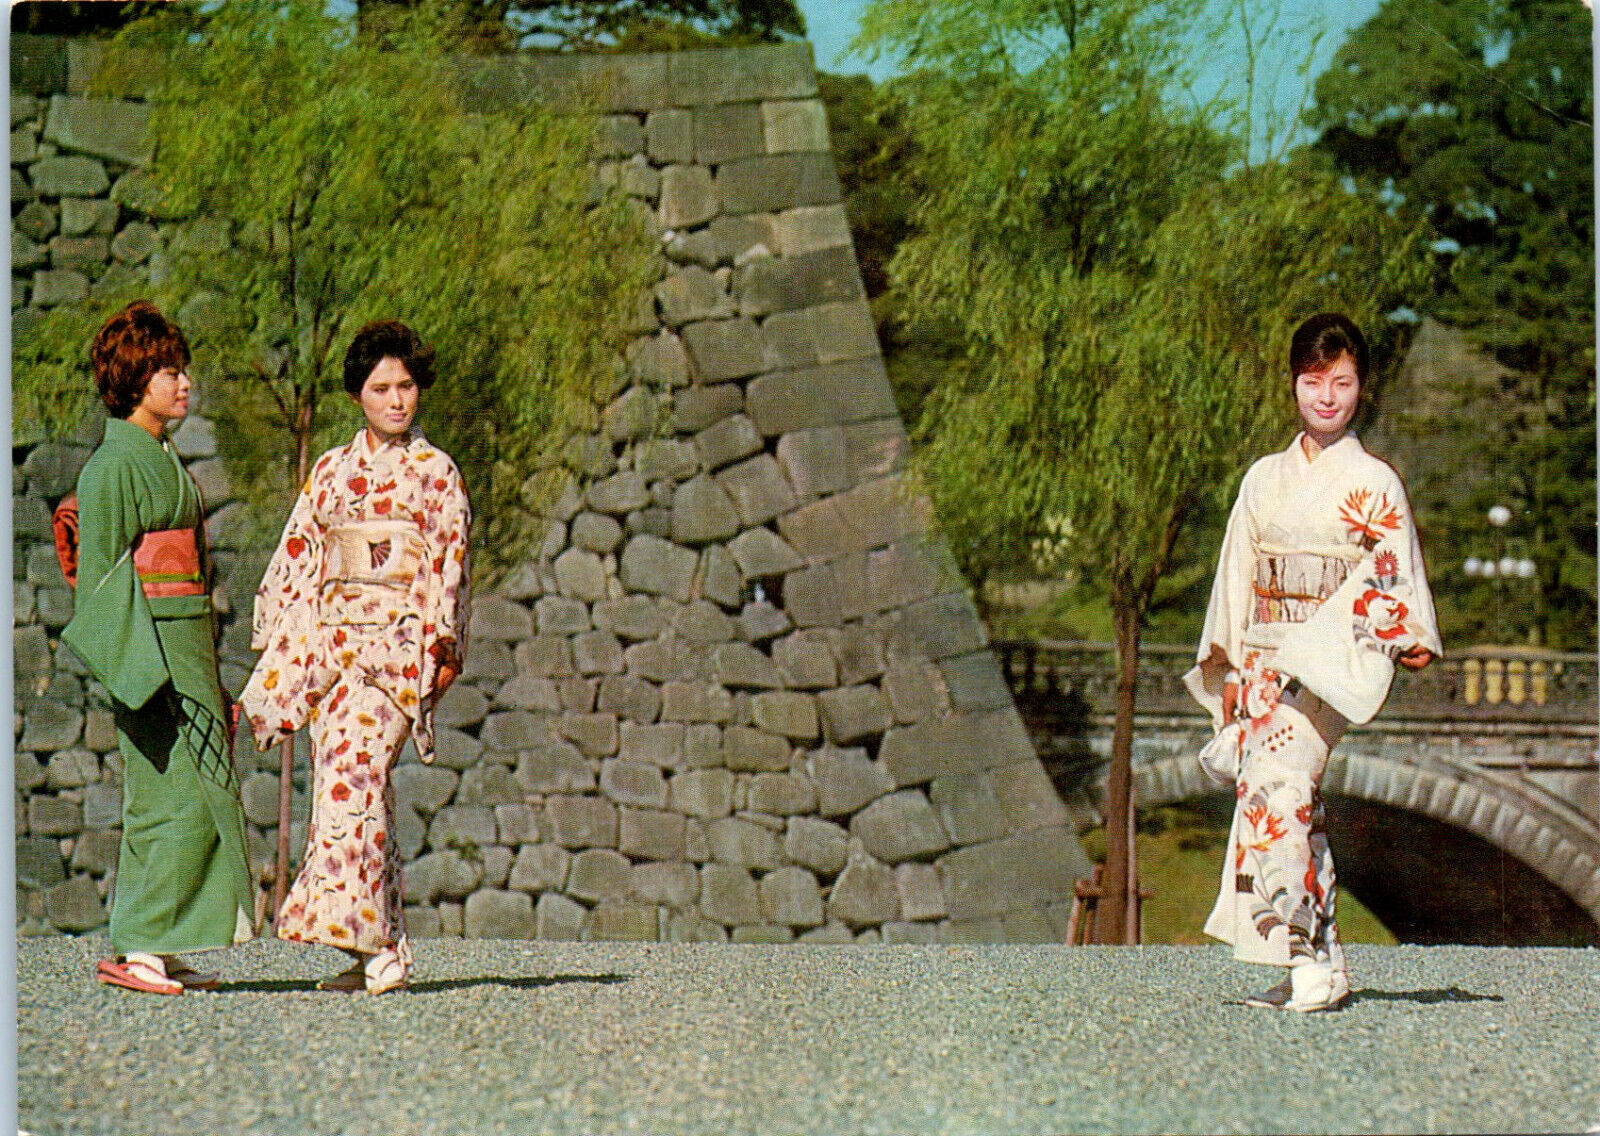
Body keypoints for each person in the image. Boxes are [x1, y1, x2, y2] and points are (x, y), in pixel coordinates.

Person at [1185, 313, 1441, 1012]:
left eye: (1342, 382)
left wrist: (1395, 627)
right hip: (1266, 661)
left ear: (1361, 387)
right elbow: (1237, 574)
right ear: (1293, 385)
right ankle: (1323, 957)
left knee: (1277, 787)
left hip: (1328, 661)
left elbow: (1390, 576)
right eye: (1312, 381)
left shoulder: (1375, 482)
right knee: (1285, 797)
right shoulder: (1263, 479)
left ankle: (1300, 958)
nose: (1327, 397)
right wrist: (1234, 668)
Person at [241, 320, 470, 995]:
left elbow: (448, 565)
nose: (397, 401)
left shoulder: (435, 473)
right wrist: (281, 633)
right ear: (358, 395)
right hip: (334, 646)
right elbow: (301, 550)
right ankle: (382, 949)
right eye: (381, 388)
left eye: (405, 387)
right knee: (351, 788)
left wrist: (443, 649)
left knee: (356, 778)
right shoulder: (332, 471)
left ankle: (372, 951)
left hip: (397, 650)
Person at [63, 300, 256, 995]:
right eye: (168, 371)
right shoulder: (111, 468)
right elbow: (103, 579)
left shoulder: (163, 462)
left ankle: (166, 940)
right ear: (133, 379)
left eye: (182, 370)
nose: (183, 384)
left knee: (202, 789)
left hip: (186, 638)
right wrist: (140, 669)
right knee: (163, 792)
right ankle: (139, 942)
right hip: (148, 643)